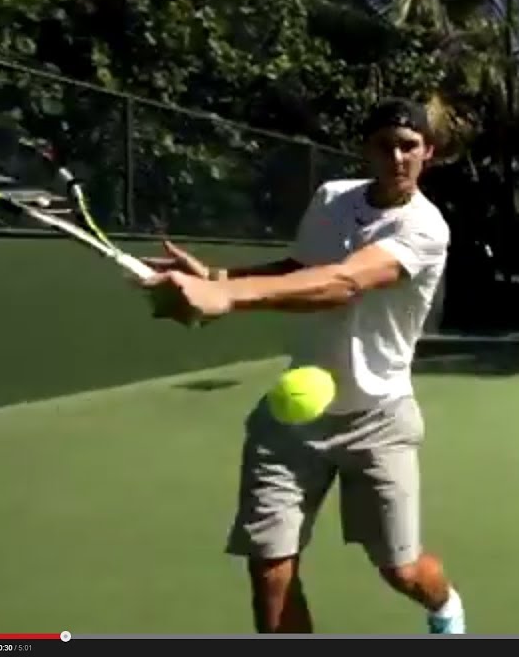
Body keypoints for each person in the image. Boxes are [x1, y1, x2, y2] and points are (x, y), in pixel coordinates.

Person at [143, 98, 465, 634]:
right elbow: (300, 268)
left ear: (427, 153)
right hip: (294, 420)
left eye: (409, 146)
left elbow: (343, 283)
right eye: (384, 144)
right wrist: (221, 278)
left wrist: (229, 299)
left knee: (400, 569)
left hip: (379, 418)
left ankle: (446, 608)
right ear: (366, 149)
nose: (397, 156)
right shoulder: (331, 198)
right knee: (270, 570)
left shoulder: (427, 229)